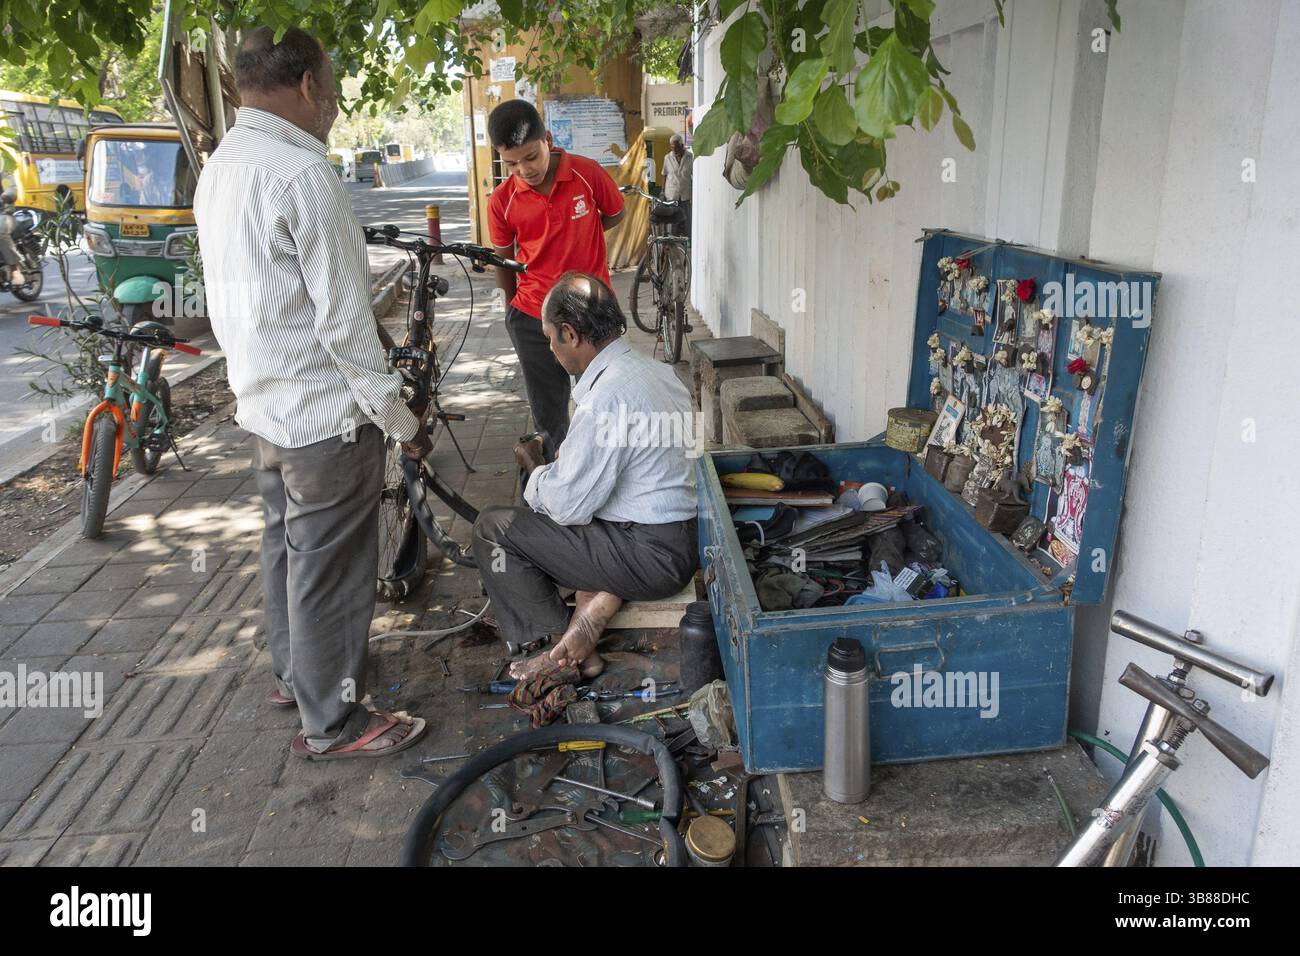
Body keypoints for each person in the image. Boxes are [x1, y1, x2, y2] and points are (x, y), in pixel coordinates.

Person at [194, 26, 428, 761]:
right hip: (323, 418)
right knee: (329, 569)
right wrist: (400, 418)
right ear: (304, 86)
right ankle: (336, 723)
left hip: (265, 407)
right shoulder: (302, 175)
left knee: (287, 552)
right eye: (329, 88)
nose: (332, 104)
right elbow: (348, 327)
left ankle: (301, 677)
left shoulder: (223, 166)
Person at [471, 273, 698, 677]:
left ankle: (554, 651)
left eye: (551, 339)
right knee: (573, 508)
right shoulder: (656, 372)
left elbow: (566, 506)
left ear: (571, 334)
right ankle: (586, 624)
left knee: (494, 528)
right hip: (680, 536)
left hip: (651, 555)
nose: (552, 350)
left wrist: (536, 471)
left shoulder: (606, 398)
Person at [487, 100, 625, 450]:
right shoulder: (502, 200)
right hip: (533, 316)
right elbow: (503, 260)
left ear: (548, 139)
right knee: (550, 419)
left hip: (593, 313)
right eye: (512, 163)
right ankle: (556, 493)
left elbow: (614, 214)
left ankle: (608, 483)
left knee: (605, 404)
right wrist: (509, 313)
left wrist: (584, 236)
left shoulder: (587, 172)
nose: (524, 169)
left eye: (531, 157)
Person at [661, 133, 692, 236]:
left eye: (676, 147)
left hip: (685, 193)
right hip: (672, 193)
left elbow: (694, 174)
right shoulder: (667, 158)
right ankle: (671, 241)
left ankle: (688, 241)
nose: (674, 150)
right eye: (672, 147)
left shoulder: (689, 156)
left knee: (687, 219)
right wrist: (662, 191)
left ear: (682, 145)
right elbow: (664, 174)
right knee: (672, 221)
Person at [0, 185, 25, 288]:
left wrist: (6, 196)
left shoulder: (3, 171)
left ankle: (15, 268)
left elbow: (12, 186)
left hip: (4, 214)